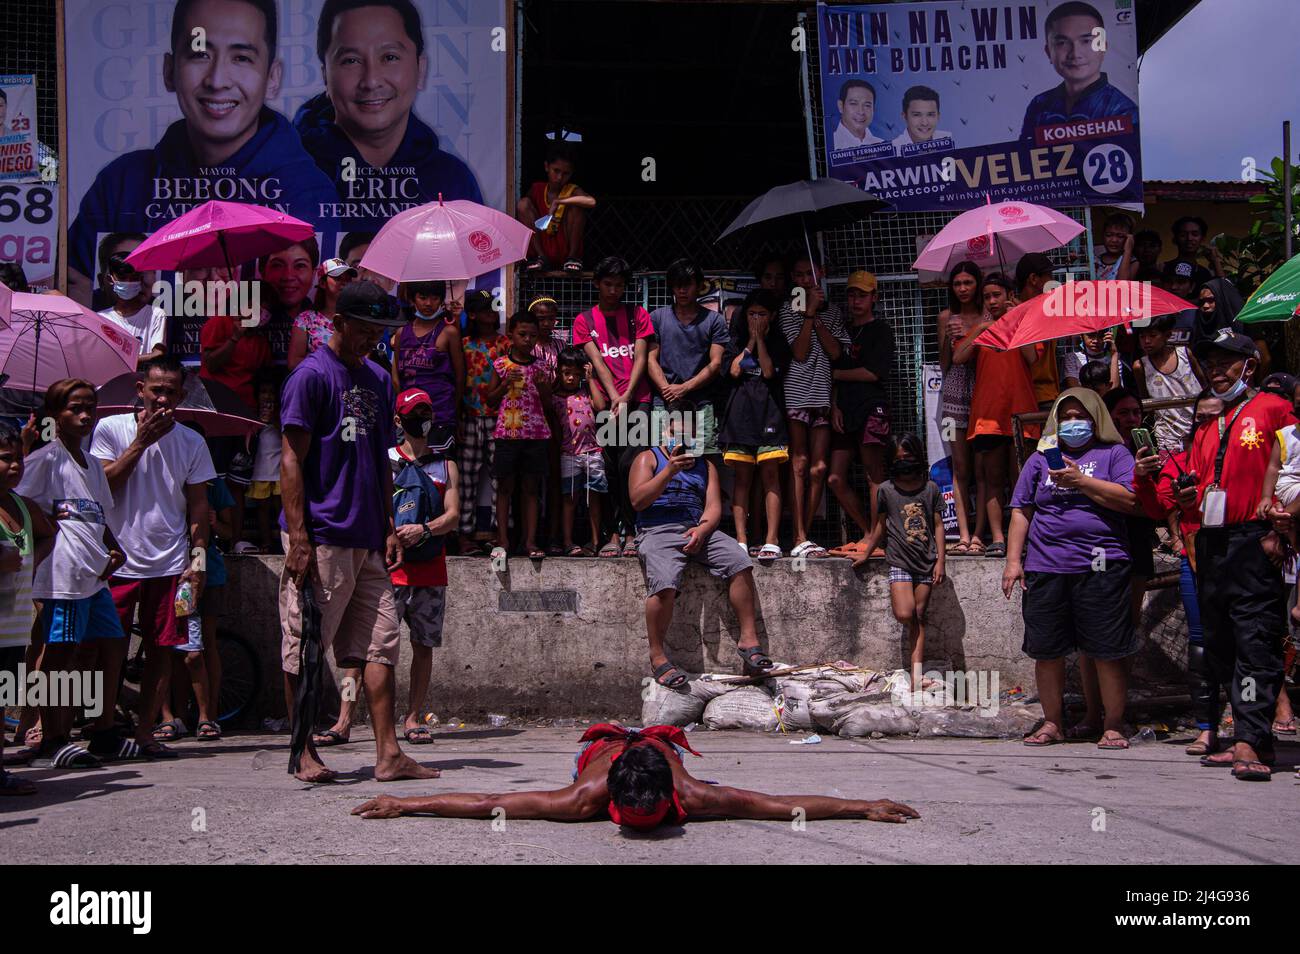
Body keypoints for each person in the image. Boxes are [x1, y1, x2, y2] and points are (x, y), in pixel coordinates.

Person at [66, 0, 338, 305]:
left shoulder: (307, 192)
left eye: (241, 58)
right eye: (199, 54)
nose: (217, 80)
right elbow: (76, 292)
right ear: (169, 71)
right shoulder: (121, 183)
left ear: (272, 78)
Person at [278, 280, 436, 783]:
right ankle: (302, 747)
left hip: (368, 536)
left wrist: (387, 524)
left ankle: (388, 754)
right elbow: (290, 460)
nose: (374, 340)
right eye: (366, 330)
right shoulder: (310, 376)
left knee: (379, 644)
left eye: (380, 332)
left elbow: (379, 458)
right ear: (339, 323)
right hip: (322, 534)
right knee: (306, 644)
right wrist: (299, 537)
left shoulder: (376, 378)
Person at [352, 722, 918, 826]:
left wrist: (861, 806)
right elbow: (491, 801)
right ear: (613, 805)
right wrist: (406, 804)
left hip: (651, 748)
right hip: (612, 747)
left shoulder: (692, 793)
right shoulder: (583, 797)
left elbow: (778, 803)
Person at [1178, 330, 1295, 780]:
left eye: (1228, 361)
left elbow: (1294, 463)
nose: (1218, 369)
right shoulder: (1207, 418)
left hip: (1255, 537)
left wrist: (1282, 520)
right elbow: (1199, 475)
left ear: (1250, 364)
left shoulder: (1272, 408)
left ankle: (1250, 741)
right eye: (1211, 362)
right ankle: (1246, 734)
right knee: (1221, 642)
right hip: (1211, 541)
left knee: (1255, 639)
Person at [90, 355, 214, 758]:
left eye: (170, 392)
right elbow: (103, 485)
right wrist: (141, 441)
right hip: (117, 561)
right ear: (140, 389)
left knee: (164, 650)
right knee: (108, 648)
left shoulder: (192, 441)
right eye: (156, 390)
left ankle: (145, 731)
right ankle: (104, 728)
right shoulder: (110, 429)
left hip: (171, 563)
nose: (162, 399)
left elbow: (199, 508)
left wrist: (196, 566)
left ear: (180, 396)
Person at [1005, 388, 1139, 749]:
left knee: (1107, 650)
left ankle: (1112, 724)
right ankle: (1052, 723)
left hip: (1101, 566)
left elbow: (1130, 499)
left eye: (1081, 416)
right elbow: (1022, 510)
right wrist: (1014, 561)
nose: (1073, 423)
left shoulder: (1114, 453)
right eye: (1066, 417)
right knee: (1046, 651)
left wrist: (1081, 481)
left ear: (1096, 420)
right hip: (1046, 566)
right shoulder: (1039, 460)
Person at [293, 0, 484, 235]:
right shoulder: (289, 174)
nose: (371, 81)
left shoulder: (452, 181)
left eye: (390, 57)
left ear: (420, 68)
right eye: (351, 60)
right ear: (325, 75)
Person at [628, 415, 771, 691]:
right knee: (665, 583)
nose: (682, 441)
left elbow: (714, 508)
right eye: (676, 434)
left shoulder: (706, 467)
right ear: (664, 433)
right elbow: (638, 500)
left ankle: (749, 640)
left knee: (738, 560)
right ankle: (657, 656)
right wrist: (668, 471)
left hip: (698, 529)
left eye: (688, 436)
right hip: (657, 531)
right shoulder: (648, 459)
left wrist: (702, 531)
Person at [1134, 390, 1224, 756]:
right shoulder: (1181, 461)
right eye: (1200, 419)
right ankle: (1207, 727)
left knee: (1246, 639)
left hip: (1240, 556)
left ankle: (1254, 724)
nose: (1208, 425)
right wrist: (1142, 476)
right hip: (1195, 558)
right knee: (1199, 643)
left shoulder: (1243, 452)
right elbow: (1157, 507)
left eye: (1214, 418)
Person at [8, 411, 82, 768]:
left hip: (20, 607)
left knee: (32, 658)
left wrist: (28, 562)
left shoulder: (22, 505)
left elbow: (46, 532)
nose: (15, 465)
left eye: (16, 459)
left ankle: (34, 722)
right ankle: (32, 722)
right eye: (6, 459)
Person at [388, 388, 459, 744]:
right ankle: (344, 720)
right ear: (399, 421)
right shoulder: (384, 460)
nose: (423, 418)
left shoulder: (445, 465)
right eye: (415, 412)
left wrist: (424, 530)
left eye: (426, 411)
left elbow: (453, 515)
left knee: (423, 646)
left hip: (431, 569)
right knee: (374, 650)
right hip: (390, 571)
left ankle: (413, 716)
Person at [954, 274, 1041, 559]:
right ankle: (999, 538)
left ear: (1010, 295)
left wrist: (1016, 321)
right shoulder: (982, 329)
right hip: (988, 415)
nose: (992, 301)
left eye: (997, 295)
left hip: (1021, 413)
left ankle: (1023, 536)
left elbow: (1032, 358)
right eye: (988, 296)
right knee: (992, 479)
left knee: (1021, 478)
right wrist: (981, 327)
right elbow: (958, 357)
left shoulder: (1025, 324)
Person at [572, 256, 654, 557]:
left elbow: (642, 359)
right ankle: (613, 535)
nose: (613, 290)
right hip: (605, 405)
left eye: (619, 285)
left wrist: (628, 395)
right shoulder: (584, 321)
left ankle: (633, 532)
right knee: (609, 469)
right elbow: (598, 362)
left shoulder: (637, 314)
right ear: (597, 283)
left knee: (632, 465)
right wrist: (614, 398)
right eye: (608, 284)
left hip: (639, 401)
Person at [851, 433, 945, 692]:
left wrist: (940, 561)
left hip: (926, 562)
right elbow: (879, 526)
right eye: (898, 458)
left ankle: (916, 676)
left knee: (918, 614)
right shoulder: (886, 490)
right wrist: (867, 552)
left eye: (908, 457)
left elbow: (938, 526)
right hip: (900, 561)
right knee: (905, 613)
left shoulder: (930, 489)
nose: (904, 462)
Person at [780, 255, 849, 559]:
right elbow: (799, 351)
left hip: (822, 394)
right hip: (796, 393)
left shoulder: (832, 312)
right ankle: (798, 535)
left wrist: (818, 315)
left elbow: (835, 352)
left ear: (820, 274)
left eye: (809, 274)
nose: (804, 280)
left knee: (818, 468)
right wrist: (807, 313)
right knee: (799, 462)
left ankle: (803, 534)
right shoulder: (787, 309)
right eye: (798, 274)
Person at [719, 289, 789, 561]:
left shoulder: (779, 342)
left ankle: (772, 539)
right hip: (740, 417)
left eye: (762, 314)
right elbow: (735, 370)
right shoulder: (734, 341)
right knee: (742, 480)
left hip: (769, 415)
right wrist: (750, 339)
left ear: (772, 316)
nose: (756, 318)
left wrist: (761, 340)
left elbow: (770, 372)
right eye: (752, 314)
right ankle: (741, 539)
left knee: (771, 477)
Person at [829, 270, 894, 549]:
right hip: (844, 411)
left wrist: (838, 375)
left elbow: (873, 373)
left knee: (874, 476)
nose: (856, 300)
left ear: (874, 298)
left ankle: (879, 538)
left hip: (871, 408)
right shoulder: (841, 330)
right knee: (834, 477)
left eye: (862, 295)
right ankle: (868, 532)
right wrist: (833, 405)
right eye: (852, 294)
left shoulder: (881, 330)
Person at [1019, 1, 1138, 142]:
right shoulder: (1039, 104)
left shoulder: (1122, 110)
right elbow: (1024, 157)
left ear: (1103, 47)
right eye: (1062, 43)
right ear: (1048, 52)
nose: (1075, 53)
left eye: (1086, 41)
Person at [486, 311, 553, 560]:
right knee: (505, 487)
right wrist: (505, 385)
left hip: (535, 435)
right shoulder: (501, 364)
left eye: (532, 336)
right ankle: (502, 539)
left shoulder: (541, 366)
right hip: (507, 433)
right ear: (511, 335)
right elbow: (490, 400)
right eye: (522, 334)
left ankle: (530, 541)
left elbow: (548, 404)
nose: (527, 340)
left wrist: (543, 384)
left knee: (531, 489)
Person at [647, 259, 729, 460]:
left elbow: (716, 363)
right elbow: (650, 359)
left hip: (701, 401)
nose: (682, 290)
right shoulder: (657, 317)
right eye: (677, 284)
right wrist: (667, 389)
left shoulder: (714, 320)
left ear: (699, 286)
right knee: (663, 457)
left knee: (703, 459)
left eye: (688, 284)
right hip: (664, 401)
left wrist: (685, 388)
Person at [937, 262, 985, 553]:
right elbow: (944, 364)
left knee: (983, 468)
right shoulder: (946, 316)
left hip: (983, 390)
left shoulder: (988, 315)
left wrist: (973, 331)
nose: (963, 288)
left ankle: (980, 535)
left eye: (968, 282)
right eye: (958, 284)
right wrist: (947, 336)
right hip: (954, 392)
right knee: (961, 467)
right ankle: (963, 535)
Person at [457, 292, 509, 554]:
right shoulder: (464, 343)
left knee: (500, 477)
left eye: (495, 308)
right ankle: (464, 533)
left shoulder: (505, 344)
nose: (493, 313)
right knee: (466, 479)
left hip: (499, 418)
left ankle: (500, 532)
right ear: (474, 314)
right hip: (469, 417)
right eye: (486, 309)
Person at [390, 280, 463, 455]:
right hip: (408, 418)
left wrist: (456, 415)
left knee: (439, 475)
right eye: (422, 297)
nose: (428, 303)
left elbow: (460, 377)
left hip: (441, 416)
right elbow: (395, 377)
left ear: (441, 300)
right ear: (413, 299)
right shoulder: (401, 333)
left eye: (434, 297)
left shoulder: (449, 332)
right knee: (408, 475)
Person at [551, 348, 607, 556]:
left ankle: (594, 542)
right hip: (569, 454)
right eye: (566, 373)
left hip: (592, 452)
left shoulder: (585, 393)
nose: (571, 377)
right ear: (559, 372)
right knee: (570, 499)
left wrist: (591, 380)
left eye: (576, 373)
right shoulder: (555, 399)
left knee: (594, 497)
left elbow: (600, 406)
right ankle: (568, 542)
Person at [1131, 315, 1206, 451]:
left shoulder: (1185, 354)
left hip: (1198, 425)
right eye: (1142, 337)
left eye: (1152, 335)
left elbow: (1204, 384)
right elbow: (1145, 400)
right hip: (1167, 434)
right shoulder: (1140, 366)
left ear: (1167, 335)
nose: (1147, 341)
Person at [518, 142, 594, 273]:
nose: (559, 178)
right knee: (523, 204)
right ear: (546, 166)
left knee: (577, 207)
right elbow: (525, 212)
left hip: (564, 248)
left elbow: (591, 201)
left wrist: (559, 201)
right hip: (541, 247)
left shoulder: (572, 190)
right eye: (556, 171)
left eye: (566, 174)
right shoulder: (537, 189)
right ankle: (540, 258)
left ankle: (573, 258)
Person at [260, 239, 327, 367]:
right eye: (277, 265)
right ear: (262, 271)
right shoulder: (245, 316)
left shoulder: (320, 320)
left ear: (314, 274)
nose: (288, 276)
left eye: (300, 266)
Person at [97, 253, 168, 365]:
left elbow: (158, 354)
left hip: (143, 379)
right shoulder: (101, 319)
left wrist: (120, 361)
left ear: (140, 279)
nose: (128, 282)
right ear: (110, 279)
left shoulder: (155, 314)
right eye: (122, 277)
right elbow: (99, 357)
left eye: (134, 277)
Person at [290, 258, 357, 369]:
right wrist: (330, 367)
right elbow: (293, 362)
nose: (345, 283)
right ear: (322, 283)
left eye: (348, 279)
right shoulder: (305, 320)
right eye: (338, 278)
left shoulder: (356, 319)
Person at [1015, 253, 1060, 409]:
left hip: (1046, 395)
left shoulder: (1045, 310)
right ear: (1034, 279)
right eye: (1049, 276)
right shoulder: (1013, 313)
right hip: (1030, 396)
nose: (1053, 281)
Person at [246, 370, 284, 553]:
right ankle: (266, 542)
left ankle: (284, 541)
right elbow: (248, 439)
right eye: (263, 392)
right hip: (260, 469)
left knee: (280, 506)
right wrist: (258, 423)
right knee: (262, 508)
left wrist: (274, 419)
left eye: (271, 392)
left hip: (279, 469)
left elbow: (285, 433)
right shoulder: (252, 414)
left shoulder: (281, 414)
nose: (267, 396)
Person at [891, 86, 954, 156]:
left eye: (930, 115)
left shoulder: (950, 140)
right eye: (917, 115)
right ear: (905, 116)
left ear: (938, 116)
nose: (924, 123)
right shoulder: (893, 151)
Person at [1163, 216, 1222, 289]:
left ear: (1202, 238)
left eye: (1195, 234)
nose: (1189, 238)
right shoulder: (1163, 268)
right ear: (1175, 239)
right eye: (1183, 235)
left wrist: (1216, 261)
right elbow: (1147, 297)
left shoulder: (1204, 273)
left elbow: (1223, 293)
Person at [831, 79, 885, 151]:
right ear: (841, 106)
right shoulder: (830, 144)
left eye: (867, 105)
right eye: (853, 103)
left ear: (873, 109)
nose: (861, 111)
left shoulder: (882, 146)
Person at [1094, 213, 1137, 281]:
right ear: (1103, 236)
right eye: (1109, 235)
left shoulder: (1132, 262)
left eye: (1120, 236)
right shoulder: (1095, 260)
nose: (1114, 240)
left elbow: (1122, 283)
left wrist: (1128, 250)